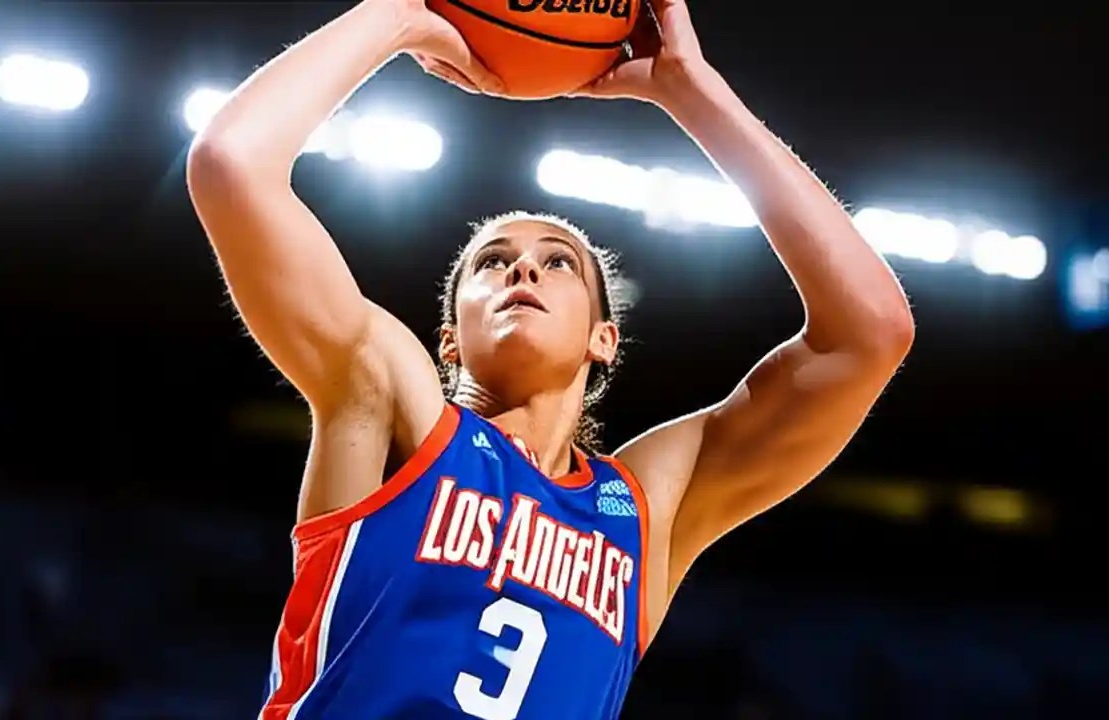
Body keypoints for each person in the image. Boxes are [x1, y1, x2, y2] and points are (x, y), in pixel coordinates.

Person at [185, 0, 914, 718]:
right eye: (491, 262)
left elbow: (871, 332)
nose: (523, 270)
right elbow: (232, 162)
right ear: (449, 338)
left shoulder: (644, 509)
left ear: (604, 338)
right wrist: (397, 15)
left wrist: (693, 92)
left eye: (558, 262)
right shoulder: (389, 401)